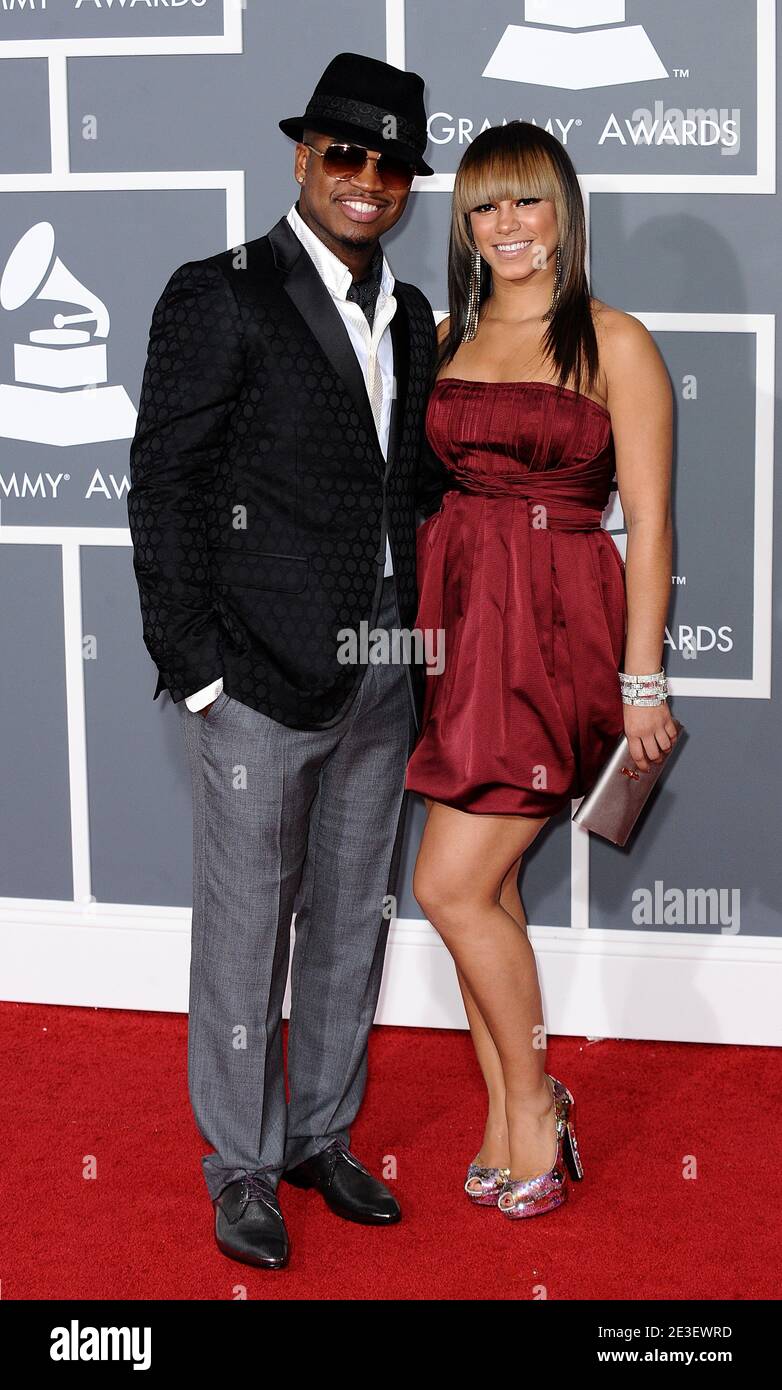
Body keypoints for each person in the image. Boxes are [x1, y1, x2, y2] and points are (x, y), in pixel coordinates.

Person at [127, 52, 450, 1269]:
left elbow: (407, 490)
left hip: (380, 668)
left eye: (390, 164)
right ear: (303, 157)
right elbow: (164, 486)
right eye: (345, 155)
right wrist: (197, 666)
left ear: (407, 182)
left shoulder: (410, 315)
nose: (367, 181)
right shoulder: (220, 292)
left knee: (349, 925)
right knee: (246, 931)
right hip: (256, 678)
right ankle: (241, 1165)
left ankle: (319, 1135)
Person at [405, 120, 677, 1220]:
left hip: (555, 628)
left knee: (447, 885)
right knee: (494, 891)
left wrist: (642, 679)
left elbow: (650, 527)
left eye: (525, 201)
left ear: (562, 208)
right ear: (463, 225)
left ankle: (538, 1106)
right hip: (460, 620)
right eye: (483, 207)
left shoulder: (614, 341)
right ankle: (499, 1117)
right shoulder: (441, 334)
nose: (506, 227)